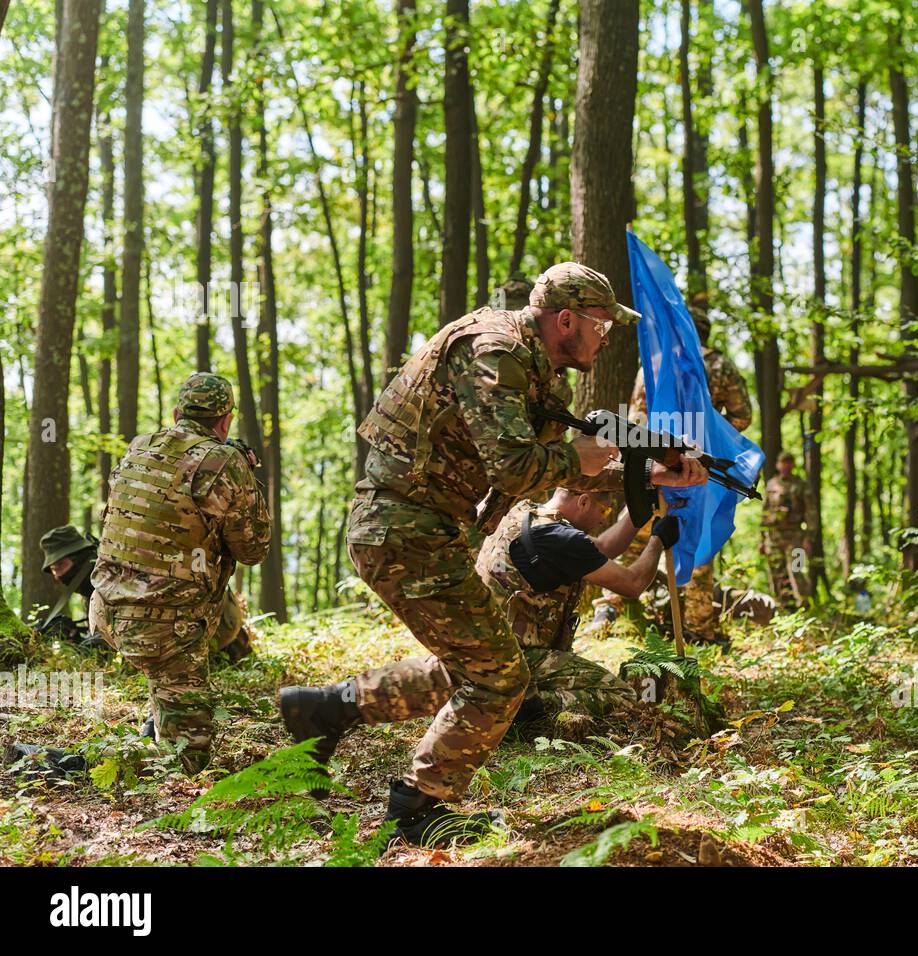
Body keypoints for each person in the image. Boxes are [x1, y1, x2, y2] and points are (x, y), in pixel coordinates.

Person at [278, 262, 707, 847]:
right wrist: (597, 455)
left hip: (435, 531)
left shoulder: (543, 376)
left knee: (475, 662)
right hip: (402, 528)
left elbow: (549, 475)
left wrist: (650, 471)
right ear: (565, 319)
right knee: (505, 675)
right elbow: (520, 468)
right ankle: (416, 807)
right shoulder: (495, 351)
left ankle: (325, 709)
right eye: (601, 325)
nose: (606, 338)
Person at [90, 373, 270, 773]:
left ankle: (156, 722)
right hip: (164, 629)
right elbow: (254, 549)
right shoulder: (224, 462)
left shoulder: (139, 448)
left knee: (169, 696)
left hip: (105, 611)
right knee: (186, 762)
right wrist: (245, 475)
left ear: (176, 414)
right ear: (225, 422)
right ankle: (62, 762)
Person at [595, 294, 753, 642]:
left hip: (652, 463)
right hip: (695, 468)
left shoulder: (655, 362)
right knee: (695, 540)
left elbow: (636, 417)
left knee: (635, 525)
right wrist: (708, 435)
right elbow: (743, 416)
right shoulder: (720, 366)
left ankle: (608, 609)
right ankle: (697, 626)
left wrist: (654, 447)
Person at [476, 488, 679, 729]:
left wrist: (640, 509)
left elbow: (602, 548)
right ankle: (521, 709)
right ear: (583, 502)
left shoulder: (524, 513)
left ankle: (498, 697)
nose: (604, 519)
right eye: (603, 510)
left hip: (481, 650)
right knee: (621, 696)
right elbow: (632, 584)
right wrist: (658, 541)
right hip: (513, 659)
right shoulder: (562, 538)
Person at [40, 524, 255, 662]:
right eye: (53, 569)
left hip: (209, 629)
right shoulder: (97, 581)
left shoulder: (117, 569)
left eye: (62, 564)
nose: (58, 574)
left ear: (81, 557)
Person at [761, 451, 811, 608]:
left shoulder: (802, 485)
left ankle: (804, 606)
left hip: (796, 536)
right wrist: (762, 539)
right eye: (783, 462)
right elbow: (764, 513)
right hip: (774, 537)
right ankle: (783, 608)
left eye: (789, 462)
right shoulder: (771, 484)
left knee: (798, 569)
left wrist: (809, 538)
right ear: (778, 465)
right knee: (777, 572)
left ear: (793, 465)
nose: (786, 466)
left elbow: (811, 513)